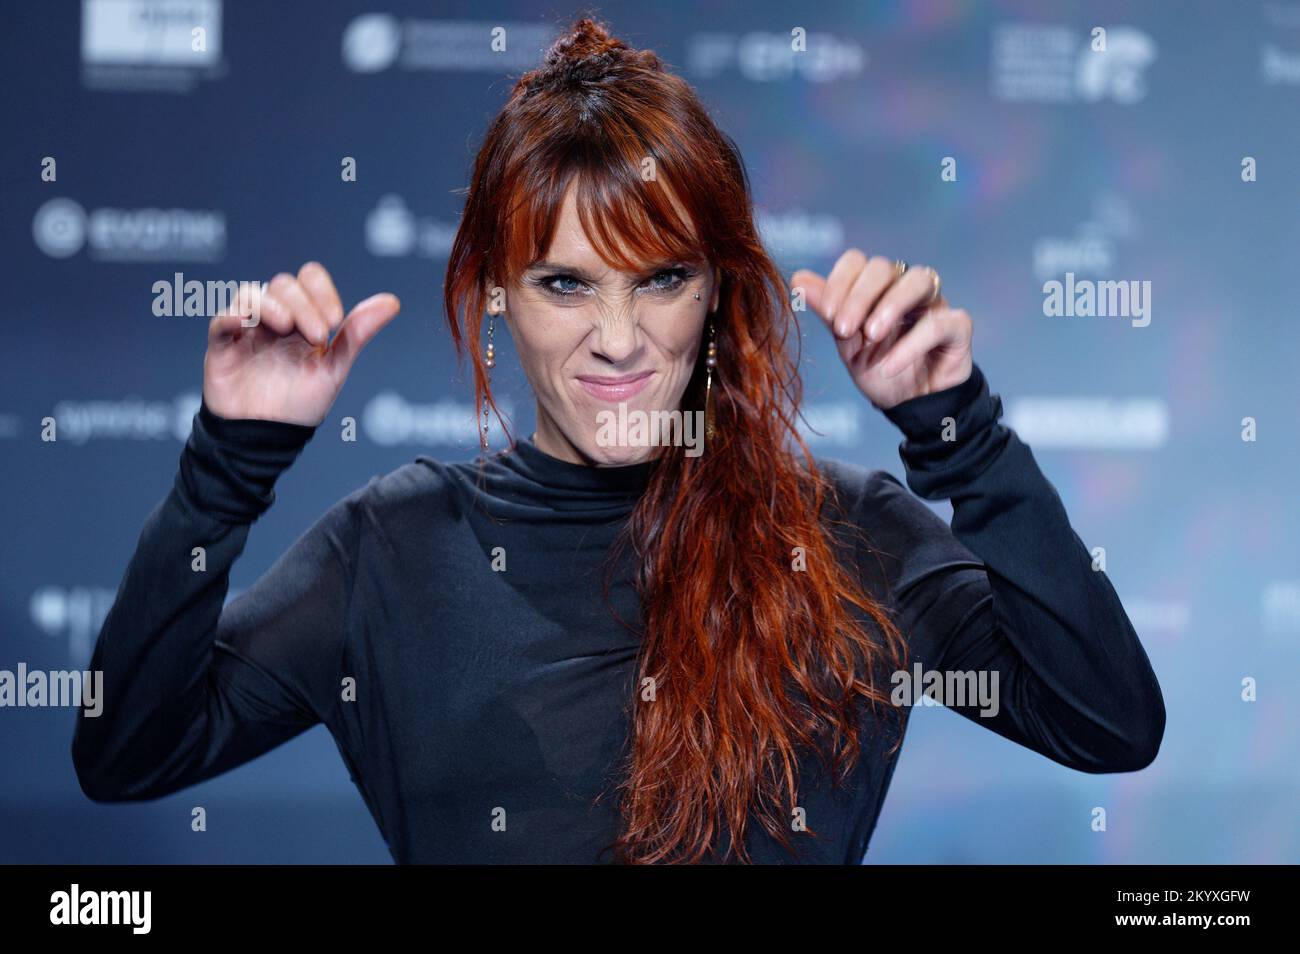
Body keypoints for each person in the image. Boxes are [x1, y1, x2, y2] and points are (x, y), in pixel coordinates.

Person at [71, 17, 1165, 864]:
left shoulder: (845, 539)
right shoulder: (393, 552)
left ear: (718, 289)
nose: (617, 339)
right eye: (564, 284)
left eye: (661, 280)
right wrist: (230, 462)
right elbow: (127, 752)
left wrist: (959, 433)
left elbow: (1107, 721)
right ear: (497, 291)